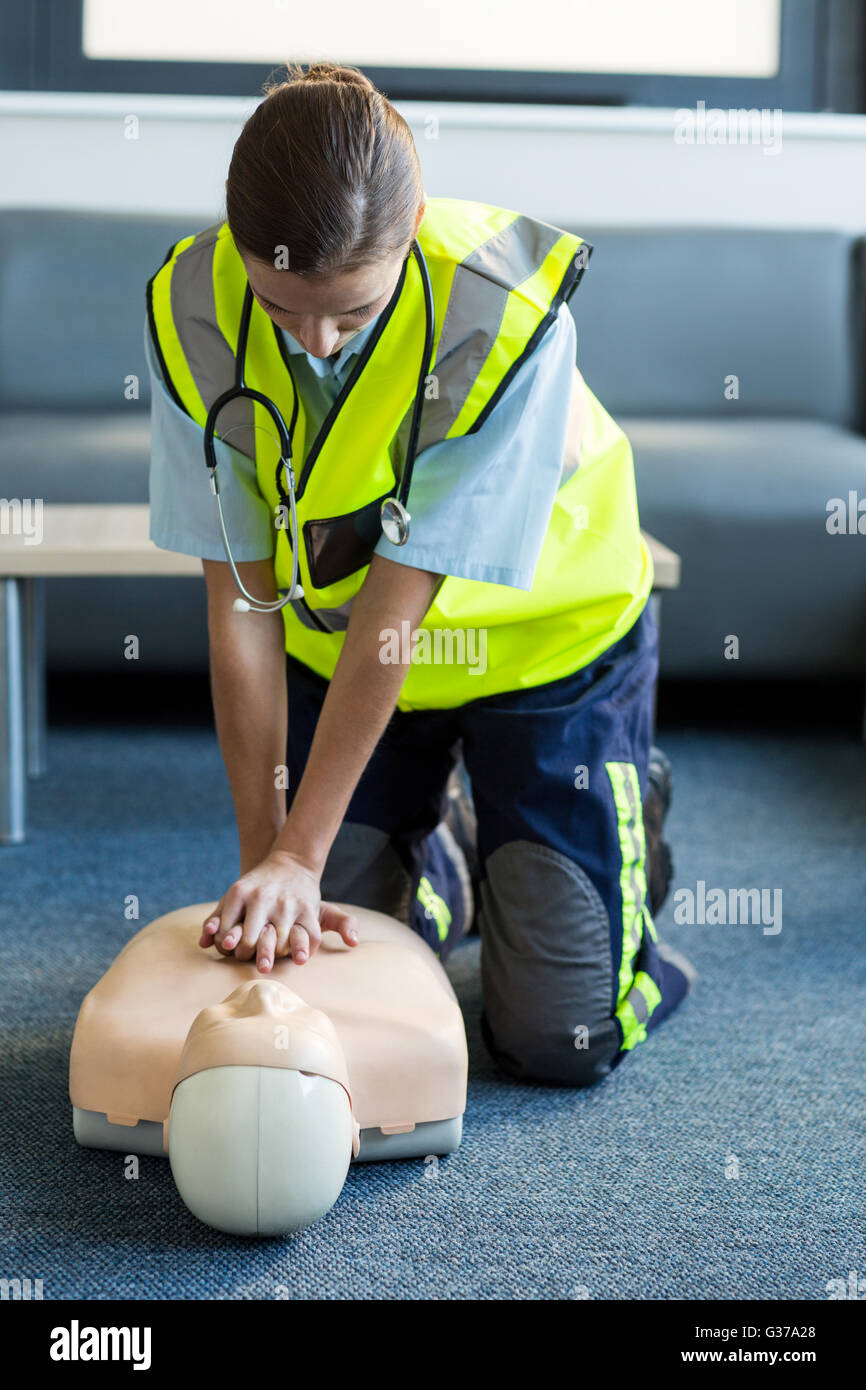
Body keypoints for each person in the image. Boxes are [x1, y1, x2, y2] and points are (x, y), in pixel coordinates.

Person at [145, 62, 693, 1088]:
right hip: (341, 653)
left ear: (410, 234)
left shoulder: (503, 314)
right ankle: (446, 846)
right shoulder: (195, 307)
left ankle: (620, 824)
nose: (313, 344)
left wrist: (300, 861)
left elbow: (398, 618)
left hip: (545, 649)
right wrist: (269, 858)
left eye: (349, 315)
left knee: (555, 1040)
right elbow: (240, 609)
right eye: (283, 308)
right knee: (332, 963)